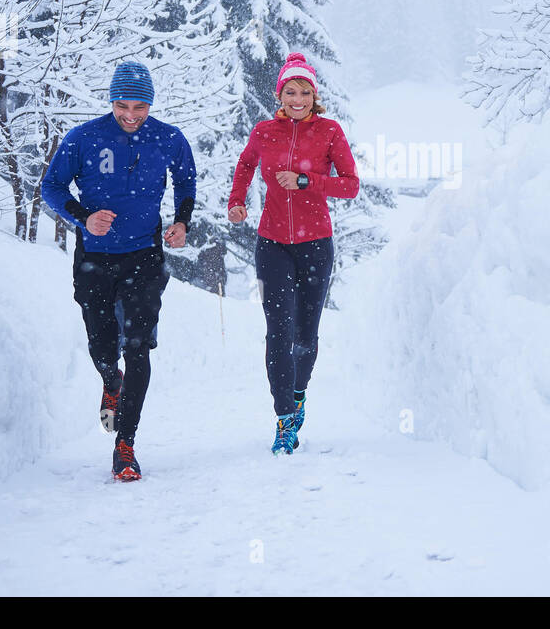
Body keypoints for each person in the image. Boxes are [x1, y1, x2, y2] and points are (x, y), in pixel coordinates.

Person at [41, 61, 196, 481]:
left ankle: (125, 446)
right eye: (123, 105)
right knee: (102, 346)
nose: (131, 114)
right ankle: (112, 379)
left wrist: (181, 221)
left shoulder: (168, 138)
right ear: (111, 101)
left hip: (144, 256)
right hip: (95, 256)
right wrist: (82, 217)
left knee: (139, 347)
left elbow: (186, 181)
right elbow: (51, 187)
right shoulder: (84, 138)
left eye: (140, 106)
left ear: (151, 103)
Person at [227, 52, 360, 454]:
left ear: (313, 95)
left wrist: (306, 180)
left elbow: (350, 185)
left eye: (304, 92)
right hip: (272, 243)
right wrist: (237, 201)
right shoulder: (265, 131)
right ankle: (285, 417)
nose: (297, 98)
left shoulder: (330, 132)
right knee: (278, 332)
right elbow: (245, 165)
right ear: (280, 93)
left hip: (316, 244)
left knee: (306, 334)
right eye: (290, 91)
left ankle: (298, 392)